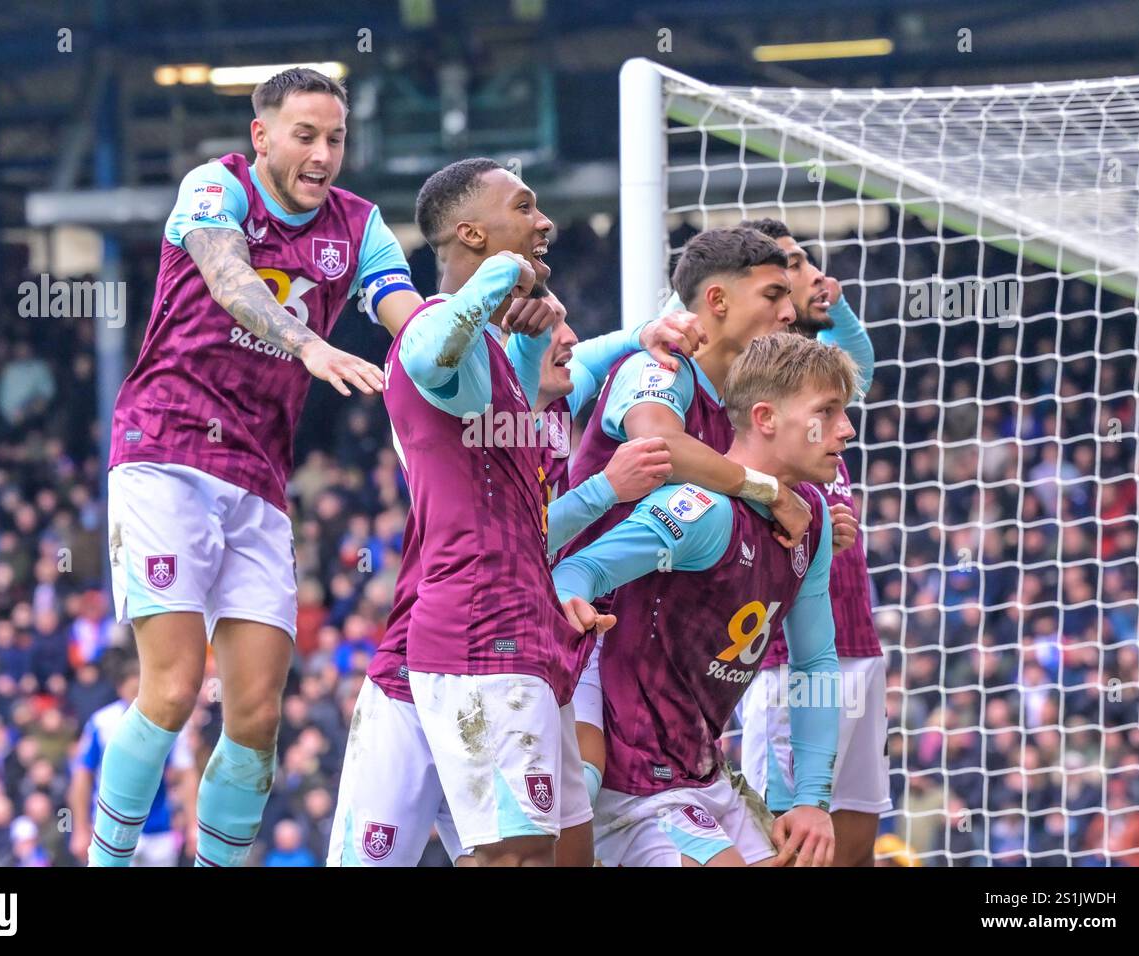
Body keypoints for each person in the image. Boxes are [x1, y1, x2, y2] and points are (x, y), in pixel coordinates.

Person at [95, 67, 427, 868]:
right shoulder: (216, 188)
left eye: (336, 138)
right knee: (173, 690)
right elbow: (228, 274)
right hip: (164, 452)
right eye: (305, 135)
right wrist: (309, 340)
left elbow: (410, 322)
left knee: (254, 716)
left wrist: (471, 332)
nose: (322, 154)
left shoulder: (363, 226)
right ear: (263, 136)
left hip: (258, 477)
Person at [328, 158, 697, 866]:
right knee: (514, 854)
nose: (545, 222)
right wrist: (508, 274)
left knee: (547, 852)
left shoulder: (517, 383)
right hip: (460, 635)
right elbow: (431, 343)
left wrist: (641, 333)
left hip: (500, 631)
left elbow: (575, 367)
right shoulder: (444, 342)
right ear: (472, 232)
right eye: (525, 207)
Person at [553, 332, 857, 866]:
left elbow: (814, 662)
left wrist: (811, 799)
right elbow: (580, 568)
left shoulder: (809, 518)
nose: (846, 429)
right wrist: (573, 599)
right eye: (827, 411)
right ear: (764, 418)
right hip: (638, 783)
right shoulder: (702, 512)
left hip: (704, 771)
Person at [734, 218, 890, 867]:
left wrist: (840, 303)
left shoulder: (823, 395)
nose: (810, 273)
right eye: (795, 263)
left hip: (853, 640)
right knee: (787, 843)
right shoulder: (751, 387)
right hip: (781, 656)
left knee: (854, 837)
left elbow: (864, 371)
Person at [70, 657, 197, 866]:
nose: (139, 699)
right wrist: (80, 828)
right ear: (120, 689)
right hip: (110, 827)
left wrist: (193, 824)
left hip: (158, 828)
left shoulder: (172, 725)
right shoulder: (102, 723)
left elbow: (187, 774)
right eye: (133, 691)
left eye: (144, 691)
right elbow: (82, 778)